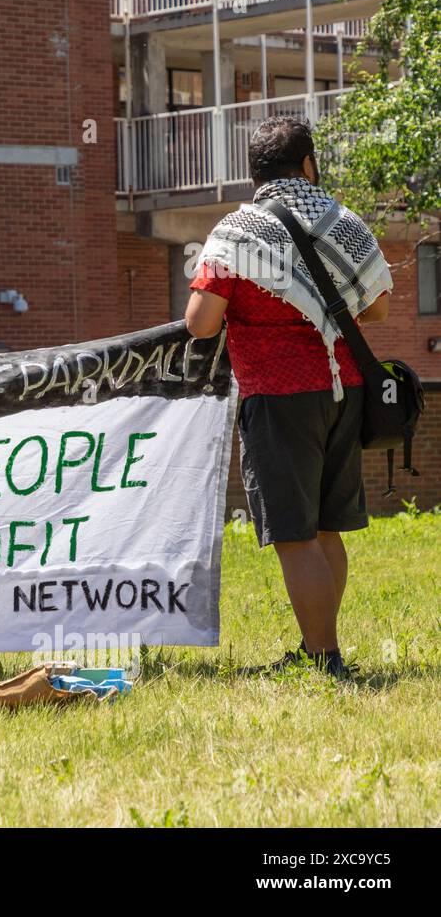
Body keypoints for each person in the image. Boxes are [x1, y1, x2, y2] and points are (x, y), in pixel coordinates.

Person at [185, 116, 392, 680]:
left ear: (253, 172)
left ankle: (324, 658)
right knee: (327, 527)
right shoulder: (342, 221)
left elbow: (201, 324)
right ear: (308, 165)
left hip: (279, 396)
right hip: (345, 391)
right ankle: (317, 644)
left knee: (296, 536)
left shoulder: (235, 231)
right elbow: (377, 309)